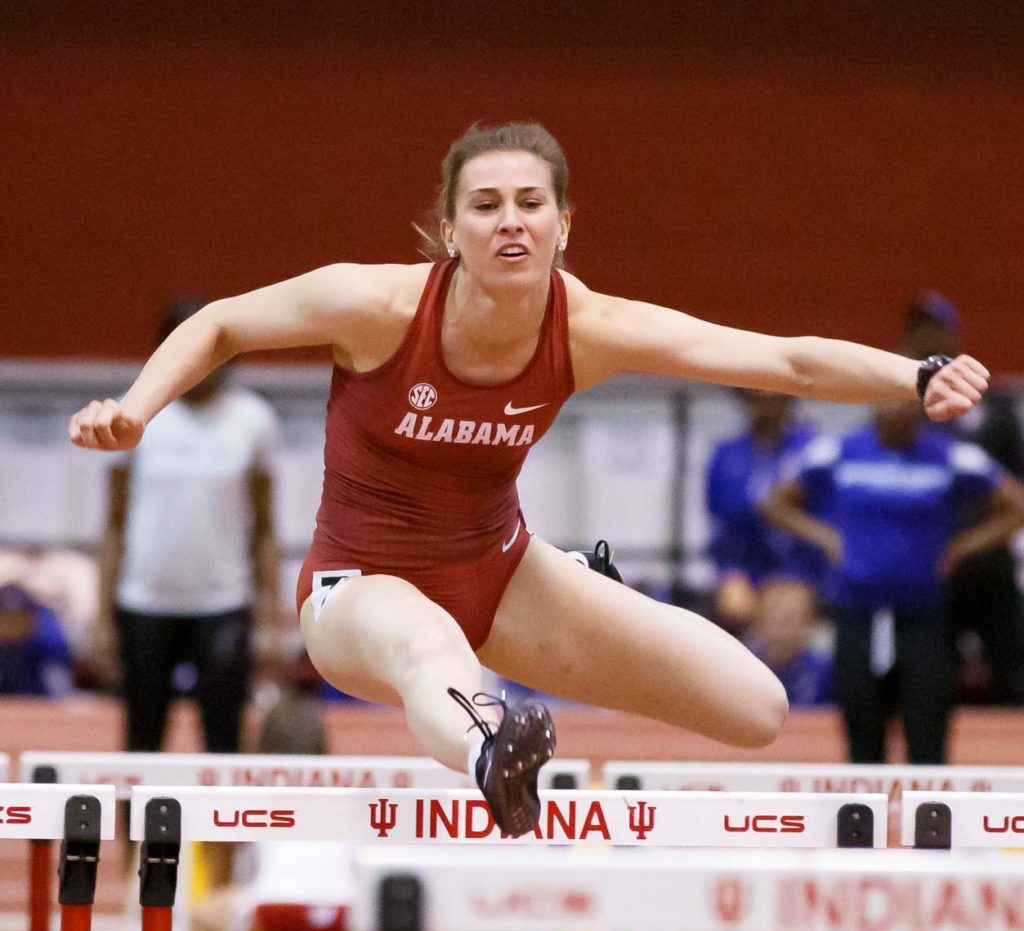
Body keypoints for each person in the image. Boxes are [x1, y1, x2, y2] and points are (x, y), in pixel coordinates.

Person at [70, 122, 989, 831]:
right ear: (447, 230)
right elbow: (224, 322)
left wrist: (913, 375)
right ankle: (494, 756)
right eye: (485, 205)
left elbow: (781, 363)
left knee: (757, 708)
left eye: (529, 203)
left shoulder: (585, 328)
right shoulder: (380, 307)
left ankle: (568, 601)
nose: (509, 220)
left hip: (502, 573)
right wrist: (137, 407)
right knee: (435, 652)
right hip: (359, 591)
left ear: (562, 227)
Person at [764, 399, 1024, 762]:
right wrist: (827, 537)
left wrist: (963, 546)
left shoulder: (950, 456)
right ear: (875, 406)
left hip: (923, 613)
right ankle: (865, 807)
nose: (897, 411)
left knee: (928, 724)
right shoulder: (839, 451)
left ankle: (928, 806)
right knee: (861, 722)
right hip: (858, 608)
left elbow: (1015, 503)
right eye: (889, 400)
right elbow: (775, 501)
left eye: (906, 404)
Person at [94, 299, 283, 753]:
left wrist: (272, 619)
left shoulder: (253, 421)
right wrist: (102, 618)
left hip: (222, 602)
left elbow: (264, 530)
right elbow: (114, 525)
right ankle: (138, 826)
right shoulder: (131, 414)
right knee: (142, 736)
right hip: (145, 601)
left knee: (224, 739)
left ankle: (223, 827)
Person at [190, 692, 364, 931]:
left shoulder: (248, 790)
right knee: (367, 915)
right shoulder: (351, 790)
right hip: (343, 930)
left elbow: (218, 874)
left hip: (276, 925)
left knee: (200, 921)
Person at [904, 291, 1024, 704]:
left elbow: (1015, 493)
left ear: (952, 334)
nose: (926, 338)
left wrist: (971, 543)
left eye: (934, 328)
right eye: (917, 330)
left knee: (1012, 672)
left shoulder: (993, 409)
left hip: (986, 563)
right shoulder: (898, 406)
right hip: (927, 570)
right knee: (928, 681)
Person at [705, 391, 823, 631]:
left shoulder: (809, 448)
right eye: (758, 397)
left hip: (795, 565)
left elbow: (822, 508)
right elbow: (719, 512)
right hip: (742, 561)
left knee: (784, 618)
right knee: (734, 607)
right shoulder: (727, 452)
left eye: (775, 398)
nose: (766, 406)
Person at [744, 577, 832, 708]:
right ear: (758, 621)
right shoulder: (742, 669)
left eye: (791, 620)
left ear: (809, 623)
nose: (782, 631)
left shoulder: (826, 673)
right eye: (775, 619)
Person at [0, 582, 74, 697]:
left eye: (18, 616)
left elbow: (57, 650)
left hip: (40, 688)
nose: (13, 621)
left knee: (54, 668)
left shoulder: (45, 618)